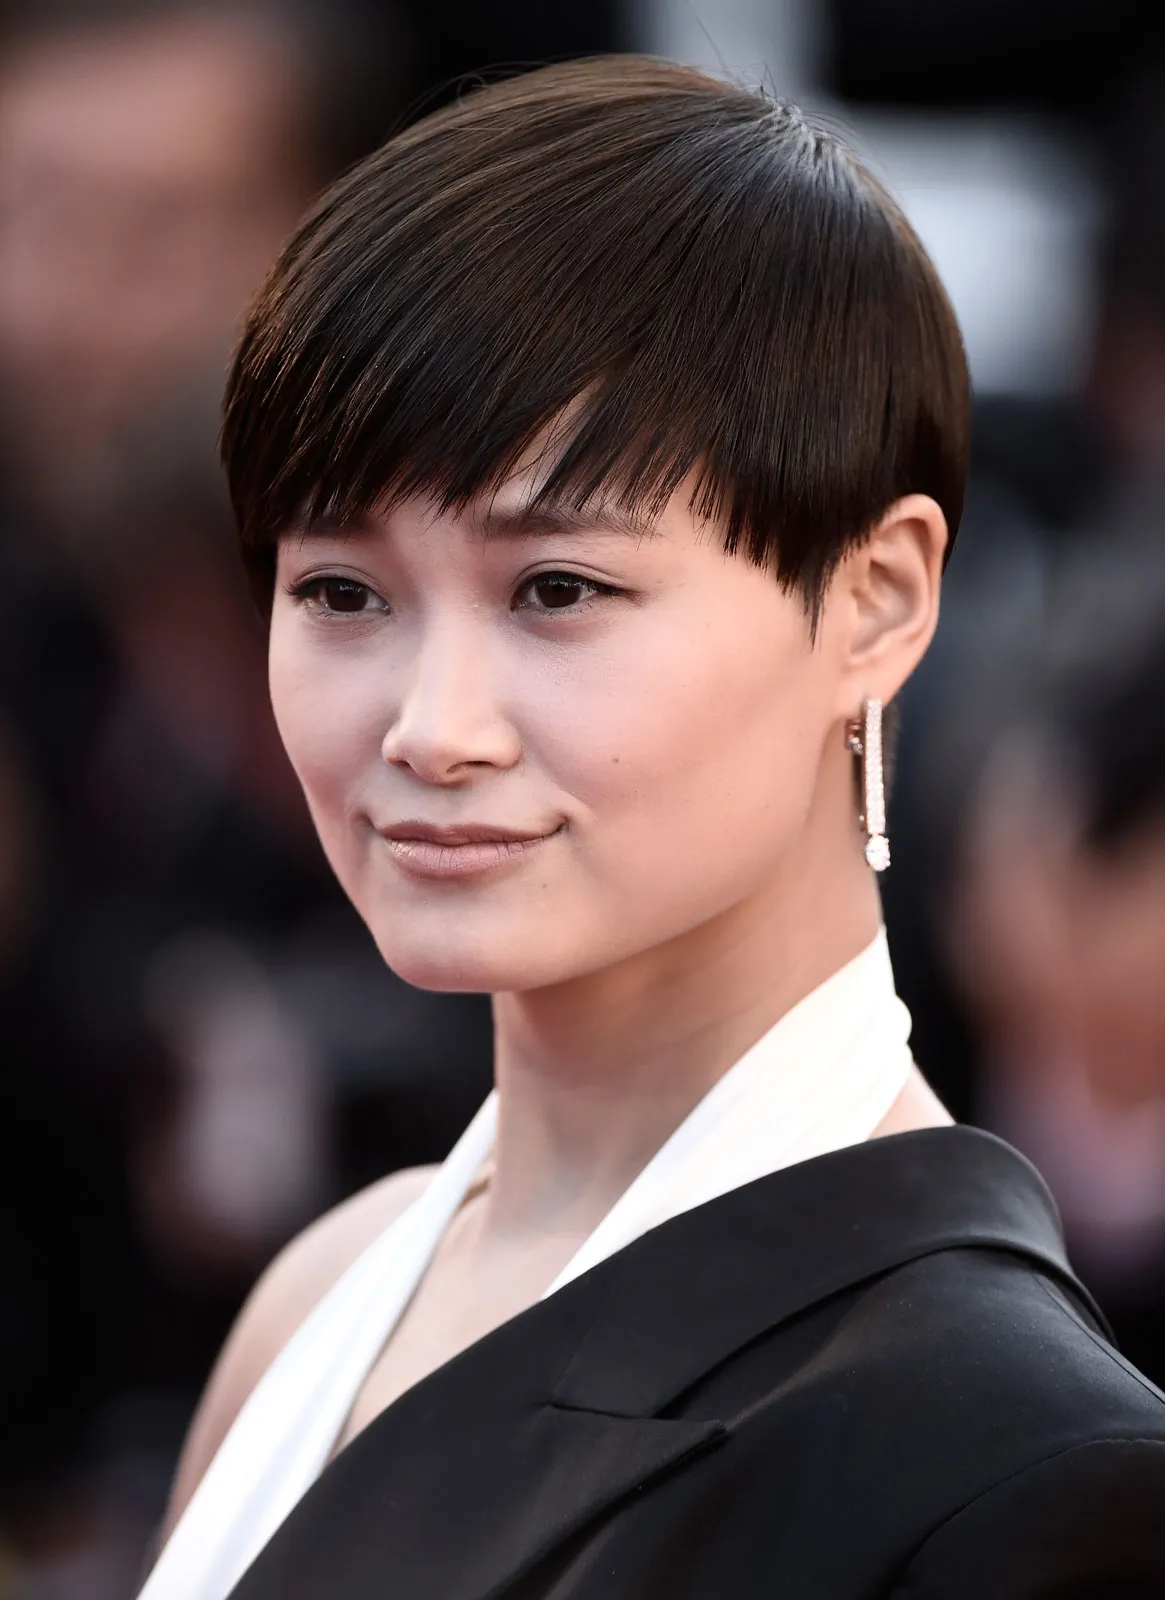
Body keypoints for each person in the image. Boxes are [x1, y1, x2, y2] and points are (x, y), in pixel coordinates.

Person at [142, 57, 1165, 1600]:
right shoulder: (323, 1296)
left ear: (876, 601)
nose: (431, 726)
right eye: (341, 592)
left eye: (558, 589)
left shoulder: (1025, 1463)